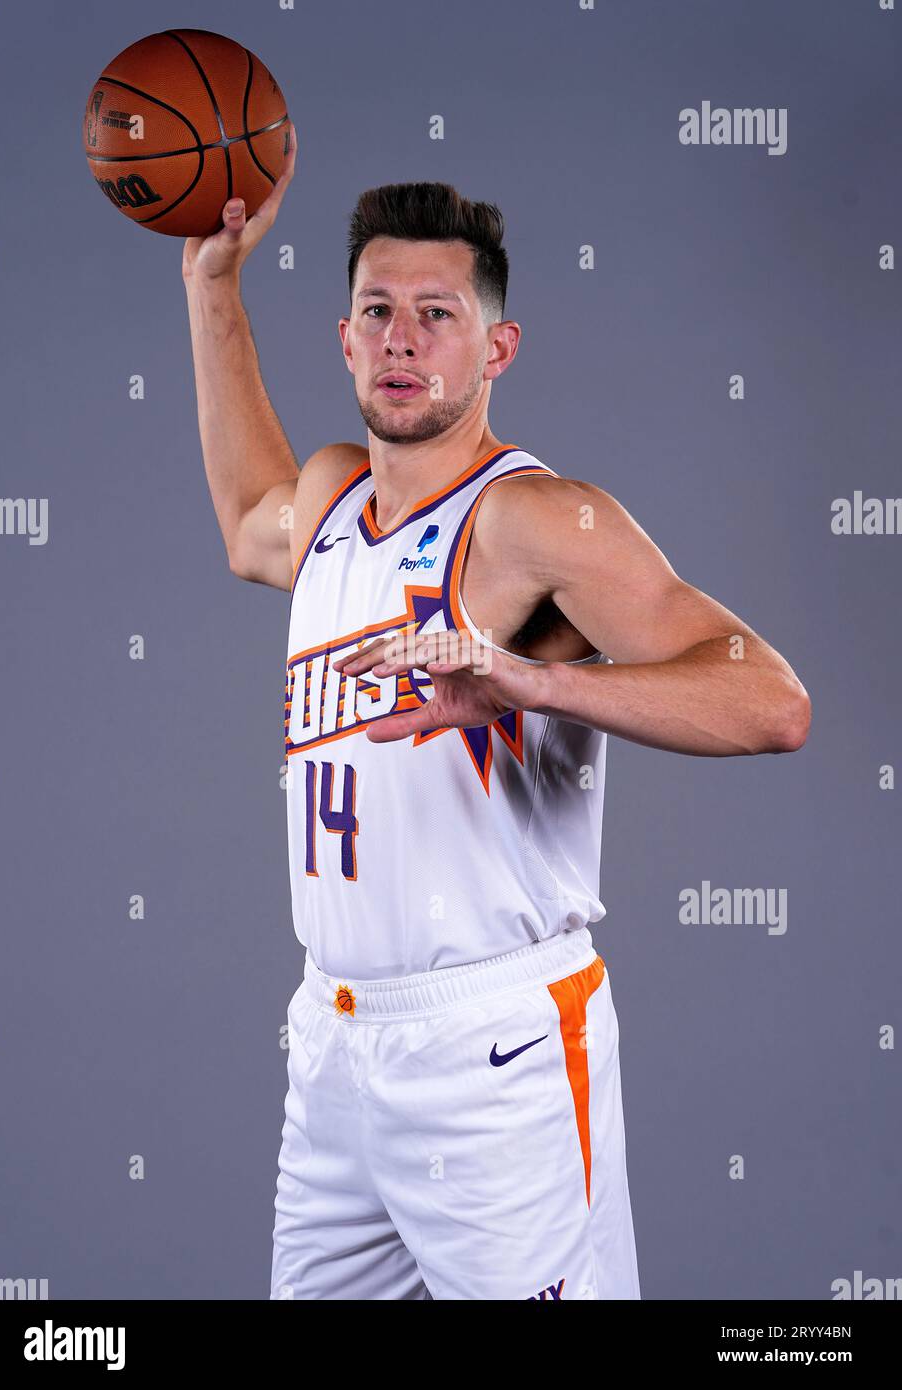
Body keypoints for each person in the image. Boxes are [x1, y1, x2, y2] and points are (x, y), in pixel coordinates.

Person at [182, 123, 811, 1300]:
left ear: (497, 346)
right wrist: (210, 284)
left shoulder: (536, 519)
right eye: (376, 310)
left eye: (437, 313)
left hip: (496, 1049)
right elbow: (244, 523)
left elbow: (770, 700)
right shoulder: (327, 498)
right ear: (345, 338)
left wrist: (535, 682)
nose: (402, 338)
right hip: (331, 1041)